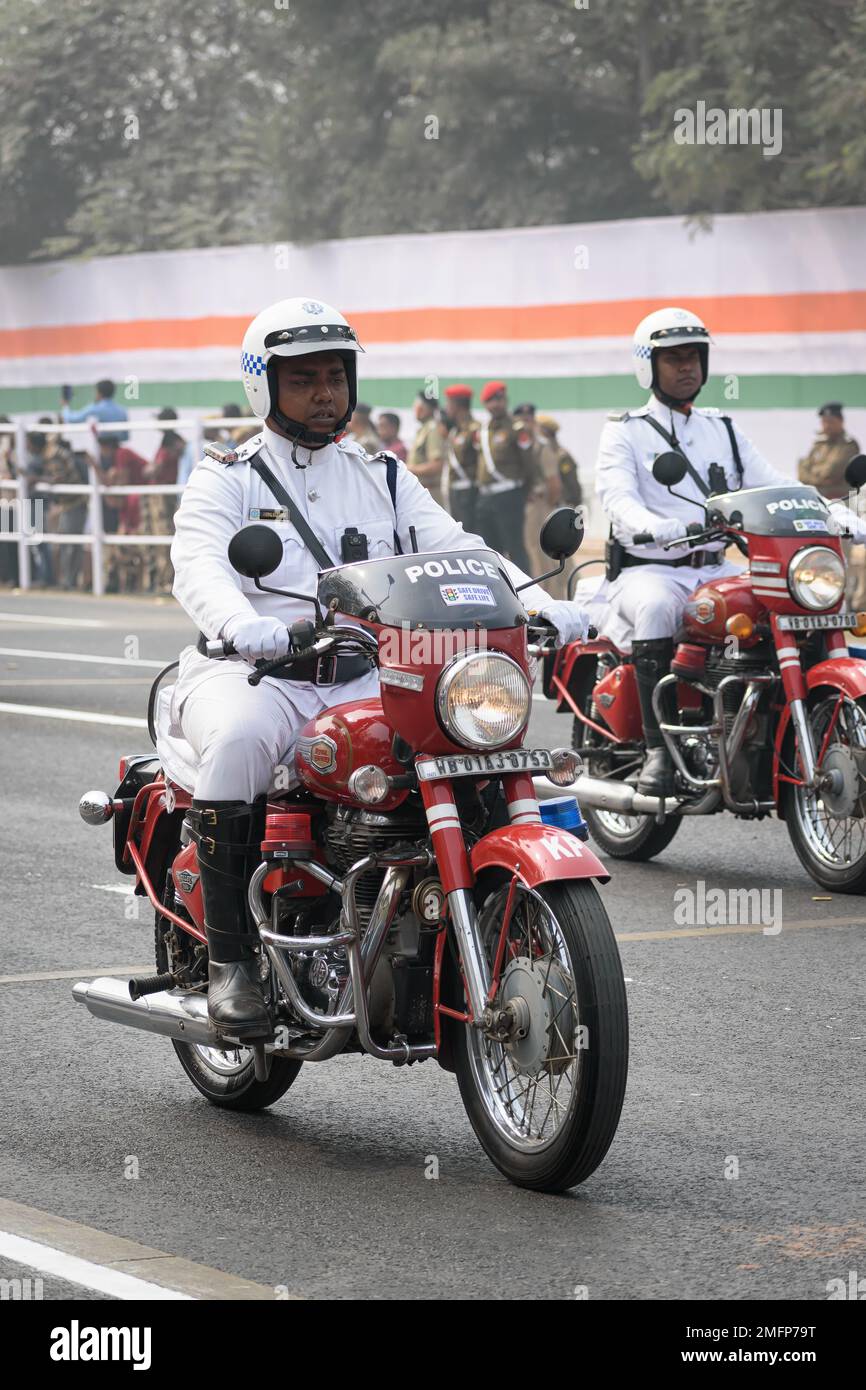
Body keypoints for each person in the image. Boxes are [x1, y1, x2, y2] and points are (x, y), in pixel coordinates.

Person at [165, 296, 589, 1038]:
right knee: (236, 742)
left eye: (335, 375)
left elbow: (457, 545)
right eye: (304, 380)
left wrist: (531, 600)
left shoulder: (385, 474)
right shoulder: (227, 477)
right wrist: (247, 627)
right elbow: (196, 566)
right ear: (266, 386)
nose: (325, 393)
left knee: (468, 746)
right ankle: (232, 963)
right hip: (256, 674)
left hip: (365, 672)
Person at [596, 306, 796, 795]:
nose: (686, 367)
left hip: (713, 569)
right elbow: (617, 499)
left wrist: (828, 510)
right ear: (650, 365)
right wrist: (657, 526)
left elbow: (773, 483)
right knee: (658, 608)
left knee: (775, 604)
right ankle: (656, 751)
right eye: (674, 358)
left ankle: (756, 727)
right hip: (651, 570)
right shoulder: (626, 430)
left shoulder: (723, 428)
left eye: (693, 357)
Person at [799, 403, 865, 607]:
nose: (826, 425)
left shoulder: (848, 445)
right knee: (819, 554)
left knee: (842, 555)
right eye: (824, 421)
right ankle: (822, 598)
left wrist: (813, 475)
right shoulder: (819, 444)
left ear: (840, 422)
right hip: (818, 506)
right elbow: (802, 471)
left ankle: (846, 602)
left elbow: (831, 471)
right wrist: (814, 477)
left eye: (830, 421)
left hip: (841, 507)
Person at [475, 382, 541, 572]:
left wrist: (525, 492)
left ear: (505, 401)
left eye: (499, 400)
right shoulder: (483, 430)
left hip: (509, 495)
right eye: (491, 401)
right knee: (490, 551)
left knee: (515, 548)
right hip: (485, 497)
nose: (496, 405)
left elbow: (529, 464)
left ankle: (525, 593)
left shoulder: (516, 428)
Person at [143, 408, 184, 593]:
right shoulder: (172, 441)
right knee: (159, 536)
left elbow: (155, 469)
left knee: (164, 535)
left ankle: (165, 580)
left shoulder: (174, 443)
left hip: (163, 495)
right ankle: (161, 579)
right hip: (161, 494)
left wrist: (150, 469)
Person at [442, 384, 480, 530]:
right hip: (455, 493)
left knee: (470, 535)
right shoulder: (455, 431)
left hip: (469, 492)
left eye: (449, 403)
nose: (446, 408)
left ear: (457, 405)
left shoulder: (475, 429)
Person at [406, 390, 449, 507]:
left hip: (430, 495)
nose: (415, 409)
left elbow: (436, 465)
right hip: (420, 494)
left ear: (426, 409)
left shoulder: (433, 429)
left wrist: (408, 470)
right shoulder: (423, 430)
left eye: (418, 405)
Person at [60, 379, 129, 441]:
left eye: (96, 392)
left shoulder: (95, 408)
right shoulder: (122, 410)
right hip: (117, 449)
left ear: (99, 393)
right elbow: (125, 437)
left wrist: (65, 406)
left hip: (104, 449)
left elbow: (73, 419)